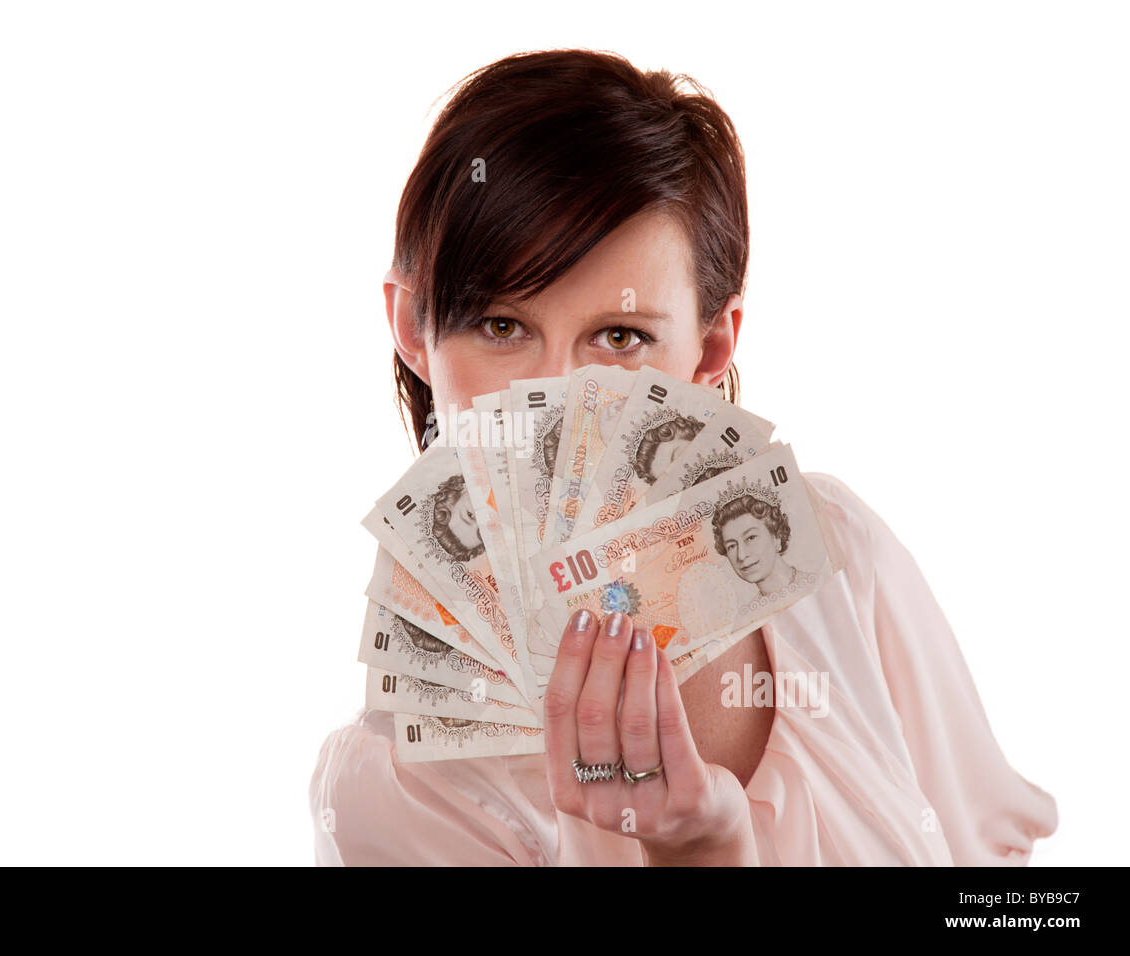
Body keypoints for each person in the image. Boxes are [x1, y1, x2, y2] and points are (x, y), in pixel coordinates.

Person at [310, 48, 1058, 865]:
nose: (558, 401)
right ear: (413, 326)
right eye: (501, 326)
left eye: (620, 337)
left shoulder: (836, 557)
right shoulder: (394, 788)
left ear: (709, 348)